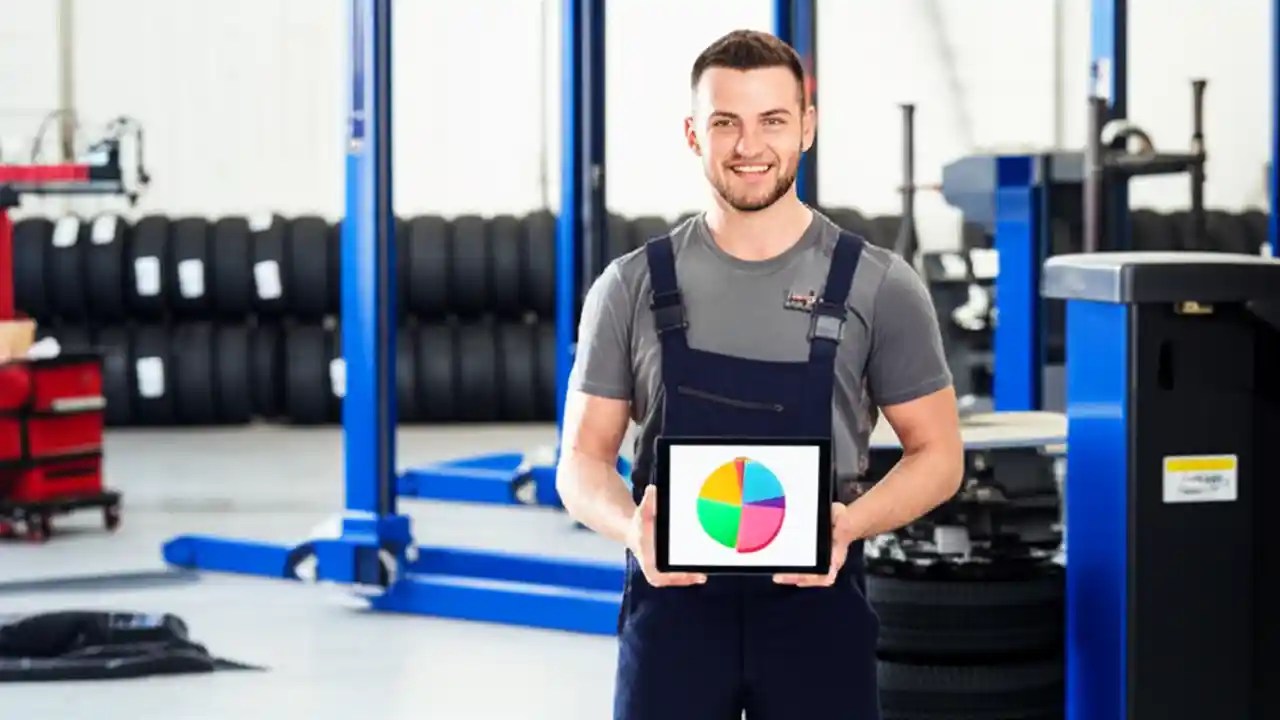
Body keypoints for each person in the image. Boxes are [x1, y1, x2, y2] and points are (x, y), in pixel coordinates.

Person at [555, 28, 965, 720]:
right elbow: (581, 461)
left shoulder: (879, 285)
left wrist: (849, 525)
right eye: (726, 123)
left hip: (818, 610)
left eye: (772, 120)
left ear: (807, 127)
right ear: (693, 134)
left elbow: (940, 454)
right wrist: (632, 528)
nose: (749, 145)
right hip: (674, 611)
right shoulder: (629, 287)